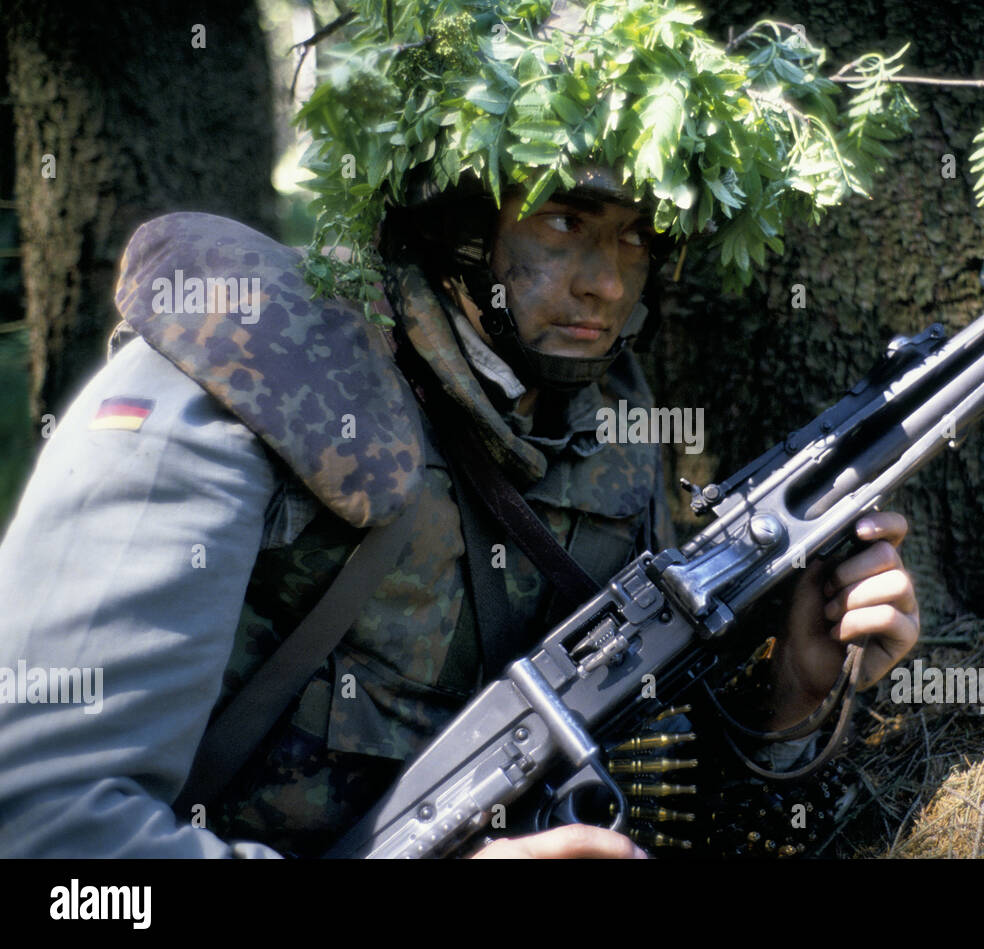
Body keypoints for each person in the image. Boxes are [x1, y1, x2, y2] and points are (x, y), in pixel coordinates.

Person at [0, 9, 920, 860]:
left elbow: (640, 786)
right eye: (564, 219)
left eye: (637, 237)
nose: (607, 282)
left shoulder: (610, 436)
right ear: (457, 220)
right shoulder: (245, 370)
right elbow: (45, 830)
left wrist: (792, 698)